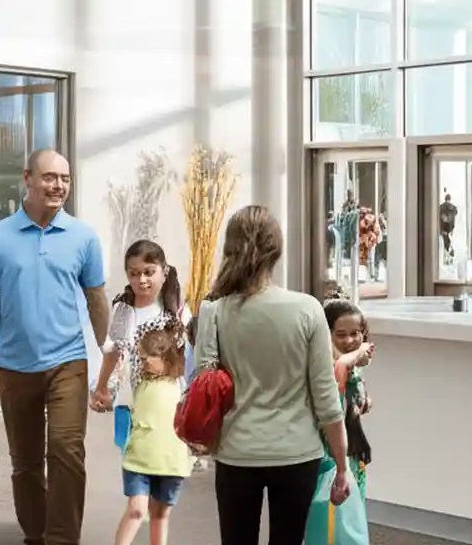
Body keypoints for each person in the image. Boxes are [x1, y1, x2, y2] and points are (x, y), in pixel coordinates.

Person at [0, 149, 109, 545]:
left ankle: (62, 538)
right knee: (25, 463)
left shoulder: (83, 236)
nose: (58, 185)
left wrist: (109, 357)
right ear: (27, 178)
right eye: (49, 177)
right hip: (15, 367)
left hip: (69, 362)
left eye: (65, 178)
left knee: (66, 450)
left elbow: (97, 297)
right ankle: (37, 533)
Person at [196, 205, 352, 545]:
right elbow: (326, 398)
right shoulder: (307, 309)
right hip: (297, 453)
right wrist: (342, 466)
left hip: (237, 452)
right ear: (276, 250)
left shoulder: (214, 311)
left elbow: (203, 386)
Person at [90, 240, 190, 451]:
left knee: (164, 464)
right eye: (134, 274)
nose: (141, 280)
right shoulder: (124, 308)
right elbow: (113, 350)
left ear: (164, 272)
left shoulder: (174, 307)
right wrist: (101, 388)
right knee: (134, 464)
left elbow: (186, 354)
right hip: (130, 402)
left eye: (148, 272)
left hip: (167, 401)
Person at [113, 324, 190, 545]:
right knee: (136, 510)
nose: (145, 362)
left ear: (166, 357)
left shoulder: (180, 384)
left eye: (150, 358)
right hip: (139, 460)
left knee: (160, 515)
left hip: (171, 462)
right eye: (143, 357)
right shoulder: (138, 382)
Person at [324, 299, 375, 500]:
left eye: (355, 334)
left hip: (352, 448)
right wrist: (357, 353)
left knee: (354, 503)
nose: (350, 341)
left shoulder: (353, 366)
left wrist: (364, 402)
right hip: (329, 453)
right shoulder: (329, 366)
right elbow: (338, 368)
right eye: (341, 335)